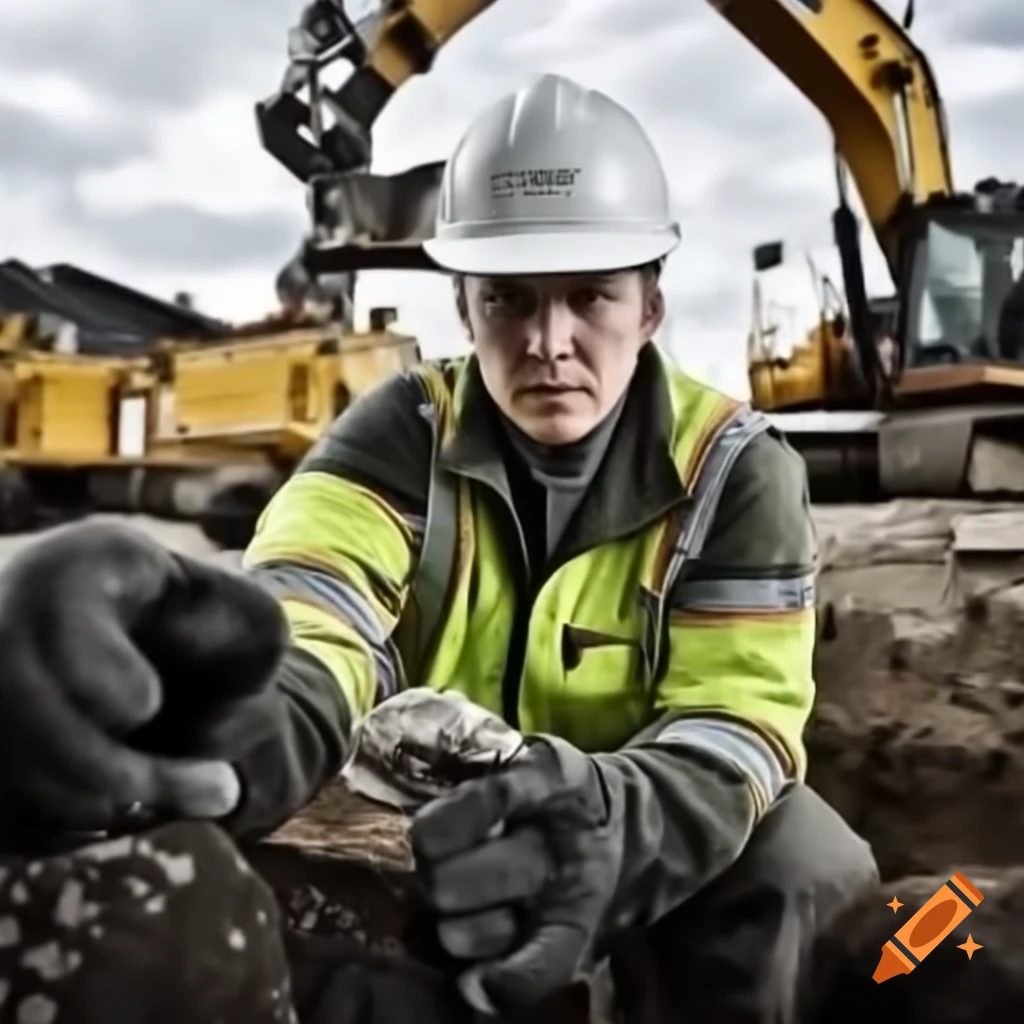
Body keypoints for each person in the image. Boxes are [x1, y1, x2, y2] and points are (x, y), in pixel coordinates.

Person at [0, 74, 878, 1023]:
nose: (550, 341)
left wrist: (612, 821)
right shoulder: (400, 429)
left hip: (637, 800)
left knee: (808, 862)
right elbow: (316, 616)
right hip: (435, 812)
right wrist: (204, 721)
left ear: (651, 307)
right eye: (509, 300)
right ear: (464, 309)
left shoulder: (736, 469)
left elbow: (736, 721)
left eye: (591, 297)